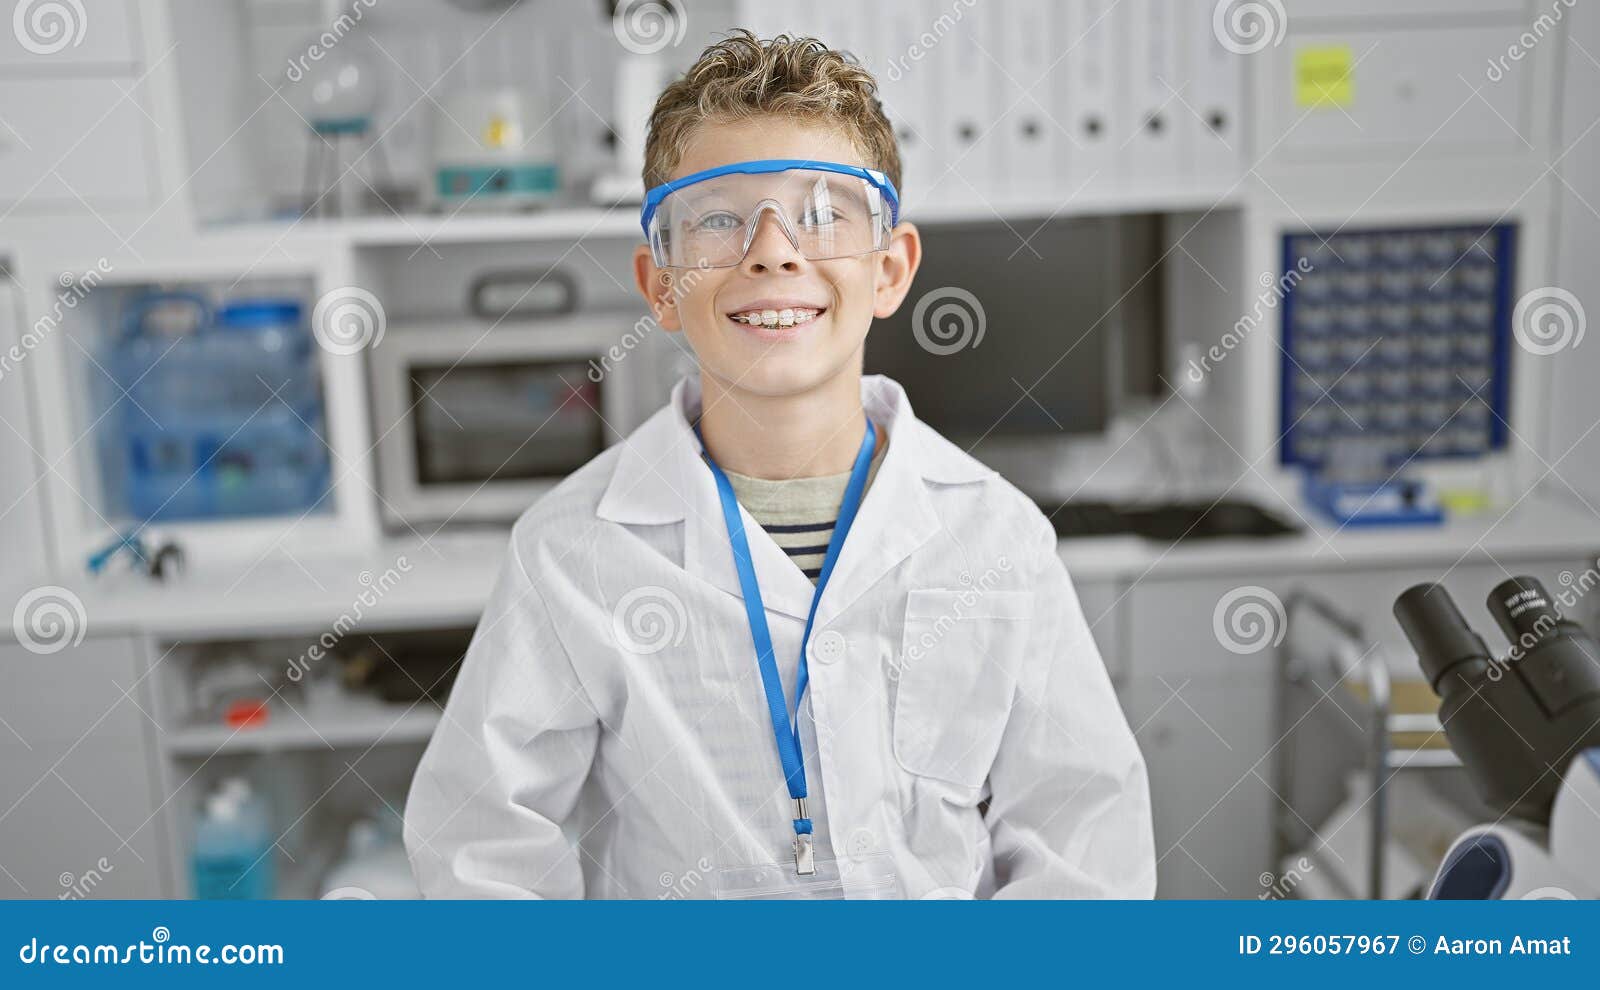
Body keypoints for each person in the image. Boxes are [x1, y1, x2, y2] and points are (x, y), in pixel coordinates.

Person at [403, 30, 1155, 899]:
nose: (773, 249)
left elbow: (1085, 843)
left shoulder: (996, 535)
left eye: (825, 211)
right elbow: (480, 850)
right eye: (719, 217)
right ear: (660, 285)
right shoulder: (571, 552)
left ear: (890, 270)